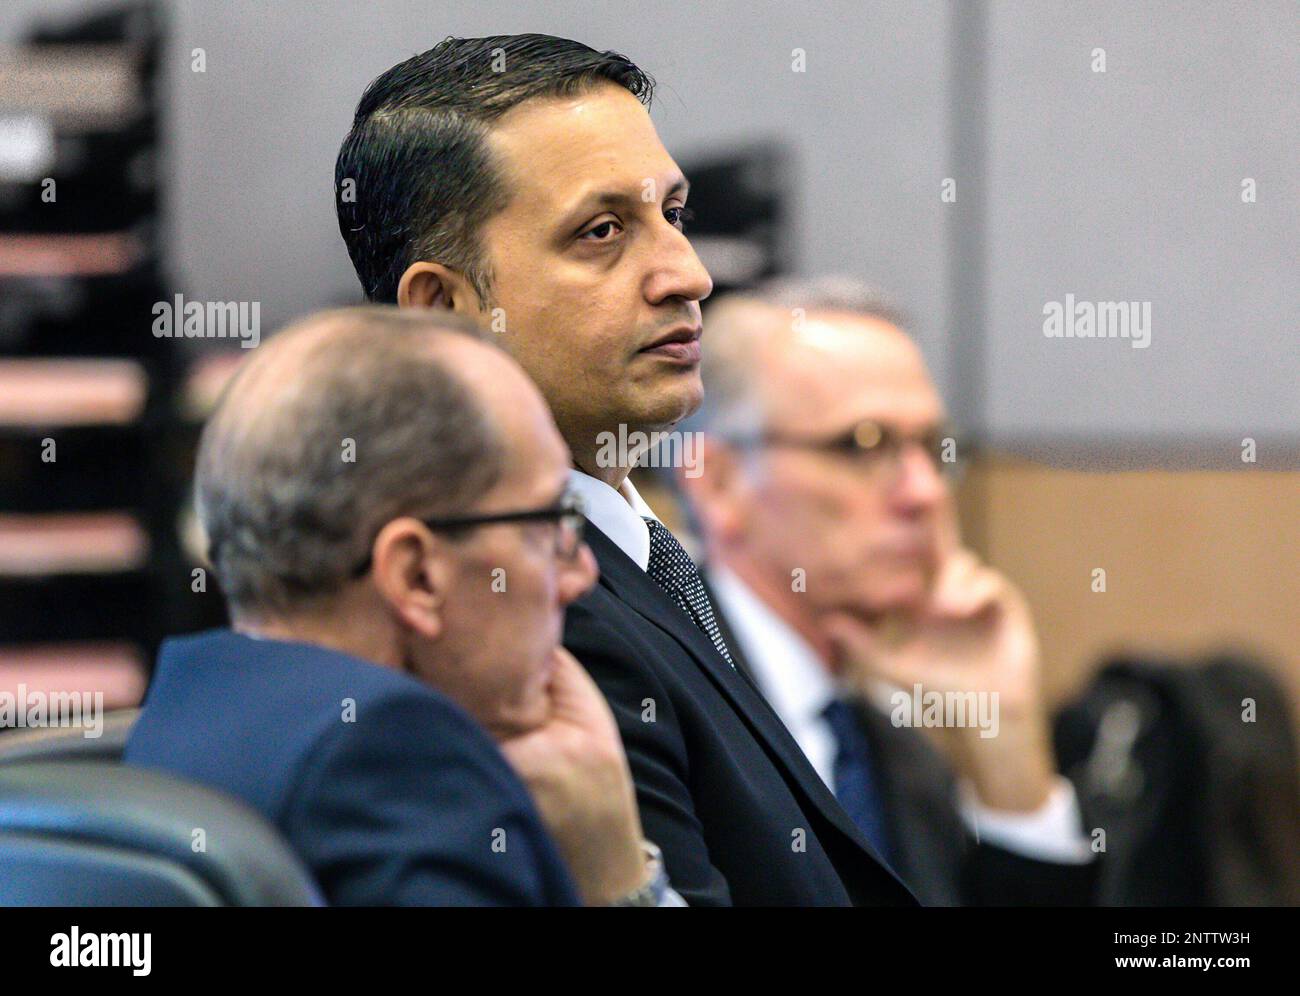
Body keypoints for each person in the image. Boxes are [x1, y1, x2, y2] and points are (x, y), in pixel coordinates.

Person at [336, 34, 913, 905]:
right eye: (602, 232)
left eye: (671, 216)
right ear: (444, 311)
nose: (689, 274)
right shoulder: (523, 617)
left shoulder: (634, 554)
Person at [126, 307, 674, 906]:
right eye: (551, 524)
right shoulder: (399, 760)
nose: (580, 574)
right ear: (416, 575)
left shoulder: (186, 707)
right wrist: (618, 873)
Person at [678, 277, 1098, 904]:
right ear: (718, 485)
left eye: (930, 448)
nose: (925, 493)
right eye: (863, 444)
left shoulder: (905, 753)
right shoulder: (666, 705)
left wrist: (1007, 753)